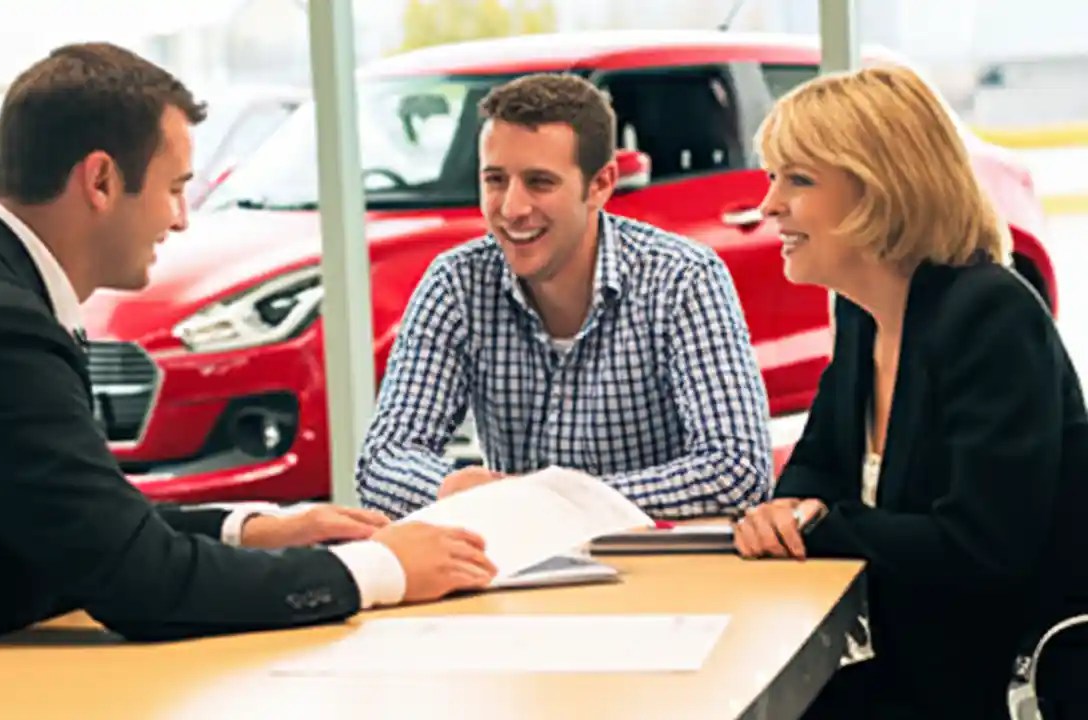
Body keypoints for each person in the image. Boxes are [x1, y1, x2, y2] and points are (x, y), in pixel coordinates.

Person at [0, 43, 497, 694]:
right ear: (102, 180)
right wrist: (381, 570)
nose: (181, 220)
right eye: (175, 188)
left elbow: (84, 520)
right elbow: (142, 585)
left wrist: (257, 528)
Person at [733, 64, 1088, 718]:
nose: (767, 206)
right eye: (772, 177)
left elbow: (982, 546)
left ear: (881, 190)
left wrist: (822, 527)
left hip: (1001, 688)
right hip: (913, 670)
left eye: (798, 180)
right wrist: (782, 516)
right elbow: (814, 469)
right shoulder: (863, 314)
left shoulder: (991, 317)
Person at [355, 72, 772, 519]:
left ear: (601, 185)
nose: (512, 208)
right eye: (495, 180)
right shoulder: (456, 284)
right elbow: (382, 462)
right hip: (522, 567)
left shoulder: (682, 279)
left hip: (658, 564)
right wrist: (451, 486)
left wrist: (553, 502)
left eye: (539, 182)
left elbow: (738, 469)